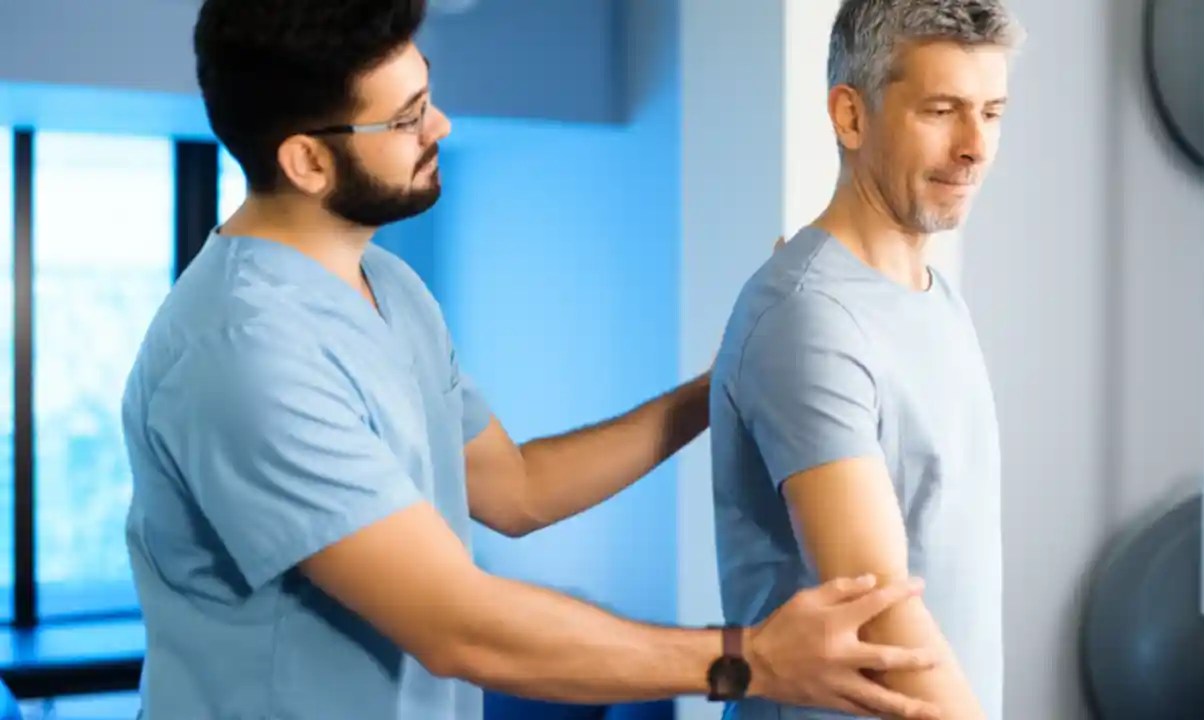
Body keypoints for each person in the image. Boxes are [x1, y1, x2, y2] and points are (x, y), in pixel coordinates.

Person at [119, 1, 946, 719]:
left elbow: (516, 490)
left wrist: (729, 374)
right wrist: (749, 656)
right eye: (405, 119)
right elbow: (457, 624)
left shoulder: (387, 286)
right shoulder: (241, 353)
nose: (439, 126)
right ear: (307, 160)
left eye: (428, 95)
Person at [710, 1, 1024, 719]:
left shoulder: (932, 295)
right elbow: (879, 608)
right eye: (942, 110)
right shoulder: (809, 316)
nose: (976, 145)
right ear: (851, 117)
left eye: (993, 112)